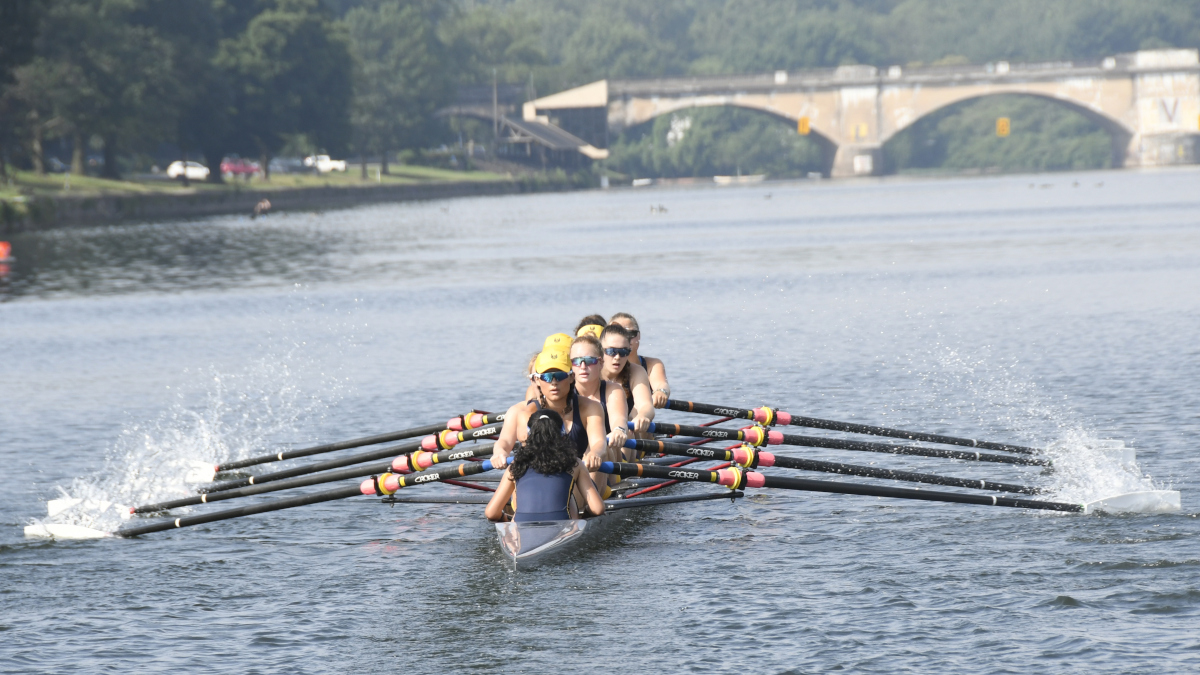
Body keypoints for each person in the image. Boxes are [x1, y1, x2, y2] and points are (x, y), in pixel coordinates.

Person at [493, 335, 612, 495]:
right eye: (547, 377)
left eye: (560, 375)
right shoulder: (525, 414)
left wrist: (594, 454)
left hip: (581, 483)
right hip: (542, 481)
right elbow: (505, 443)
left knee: (602, 455)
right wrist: (499, 454)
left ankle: (586, 507)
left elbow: (598, 442)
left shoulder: (590, 407)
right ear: (537, 380)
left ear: (571, 377)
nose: (554, 382)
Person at [485, 409, 606, 522]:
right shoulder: (575, 463)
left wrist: (508, 522)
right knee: (569, 497)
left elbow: (491, 513)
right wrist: (583, 517)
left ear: (529, 435)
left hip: (521, 528)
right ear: (563, 434)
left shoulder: (516, 464)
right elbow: (598, 508)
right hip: (563, 527)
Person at [600, 323, 654, 457]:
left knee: (629, 428)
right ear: (600, 351)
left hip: (625, 436)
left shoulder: (635, 371)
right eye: (611, 351)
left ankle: (627, 471)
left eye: (623, 352)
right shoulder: (590, 373)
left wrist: (643, 416)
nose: (617, 357)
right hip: (599, 436)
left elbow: (646, 405)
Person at [611, 312, 671, 408]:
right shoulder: (597, 365)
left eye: (630, 333)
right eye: (619, 333)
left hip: (641, 420)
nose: (625, 339)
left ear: (639, 336)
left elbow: (661, 383)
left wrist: (661, 392)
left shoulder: (652, 364)